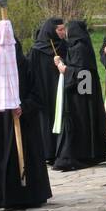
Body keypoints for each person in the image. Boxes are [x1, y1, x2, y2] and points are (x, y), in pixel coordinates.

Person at [0, 21, 52, 211]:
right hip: (0, 122)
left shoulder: (26, 66)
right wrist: (2, 96)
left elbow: (38, 94)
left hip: (23, 122)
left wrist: (23, 106)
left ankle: (25, 196)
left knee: (23, 156)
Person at [53, 20, 106, 170]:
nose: (66, 33)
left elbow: (82, 74)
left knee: (81, 122)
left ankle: (79, 156)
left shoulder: (79, 48)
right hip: (84, 93)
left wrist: (63, 68)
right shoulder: (81, 46)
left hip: (81, 95)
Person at [27, 18, 67, 163]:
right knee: (46, 121)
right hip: (43, 91)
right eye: (60, 30)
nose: (63, 32)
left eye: (64, 29)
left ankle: (61, 151)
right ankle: (47, 153)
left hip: (61, 89)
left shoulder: (64, 46)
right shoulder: (37, 50)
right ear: (51, 31)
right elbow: (29, 72)